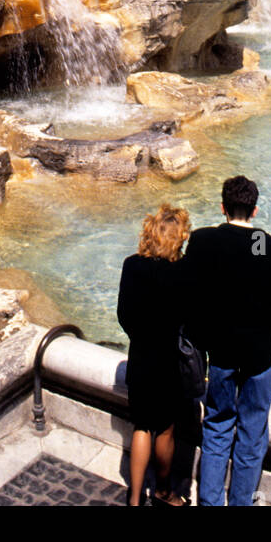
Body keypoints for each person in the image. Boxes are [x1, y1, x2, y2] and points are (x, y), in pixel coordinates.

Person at [184, 175, 271, 507]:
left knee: (217, 428)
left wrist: (204, 339)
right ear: (255, 210)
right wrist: (266, 336)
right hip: (260, 356)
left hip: (220, 353)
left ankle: (209, 502)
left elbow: (191, 298)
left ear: (222, 207)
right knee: (251, 435)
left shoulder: (203, 241)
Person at [117, 203, 191, 506]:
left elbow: (123, 315)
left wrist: (140, 335)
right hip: (168, 362)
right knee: (165, 429)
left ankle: (134, 499)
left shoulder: (131, 265)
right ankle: (163, 491)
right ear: (179, 237)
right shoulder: (183, 271)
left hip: (140, 358)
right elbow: (190, 318)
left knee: (142, 426)